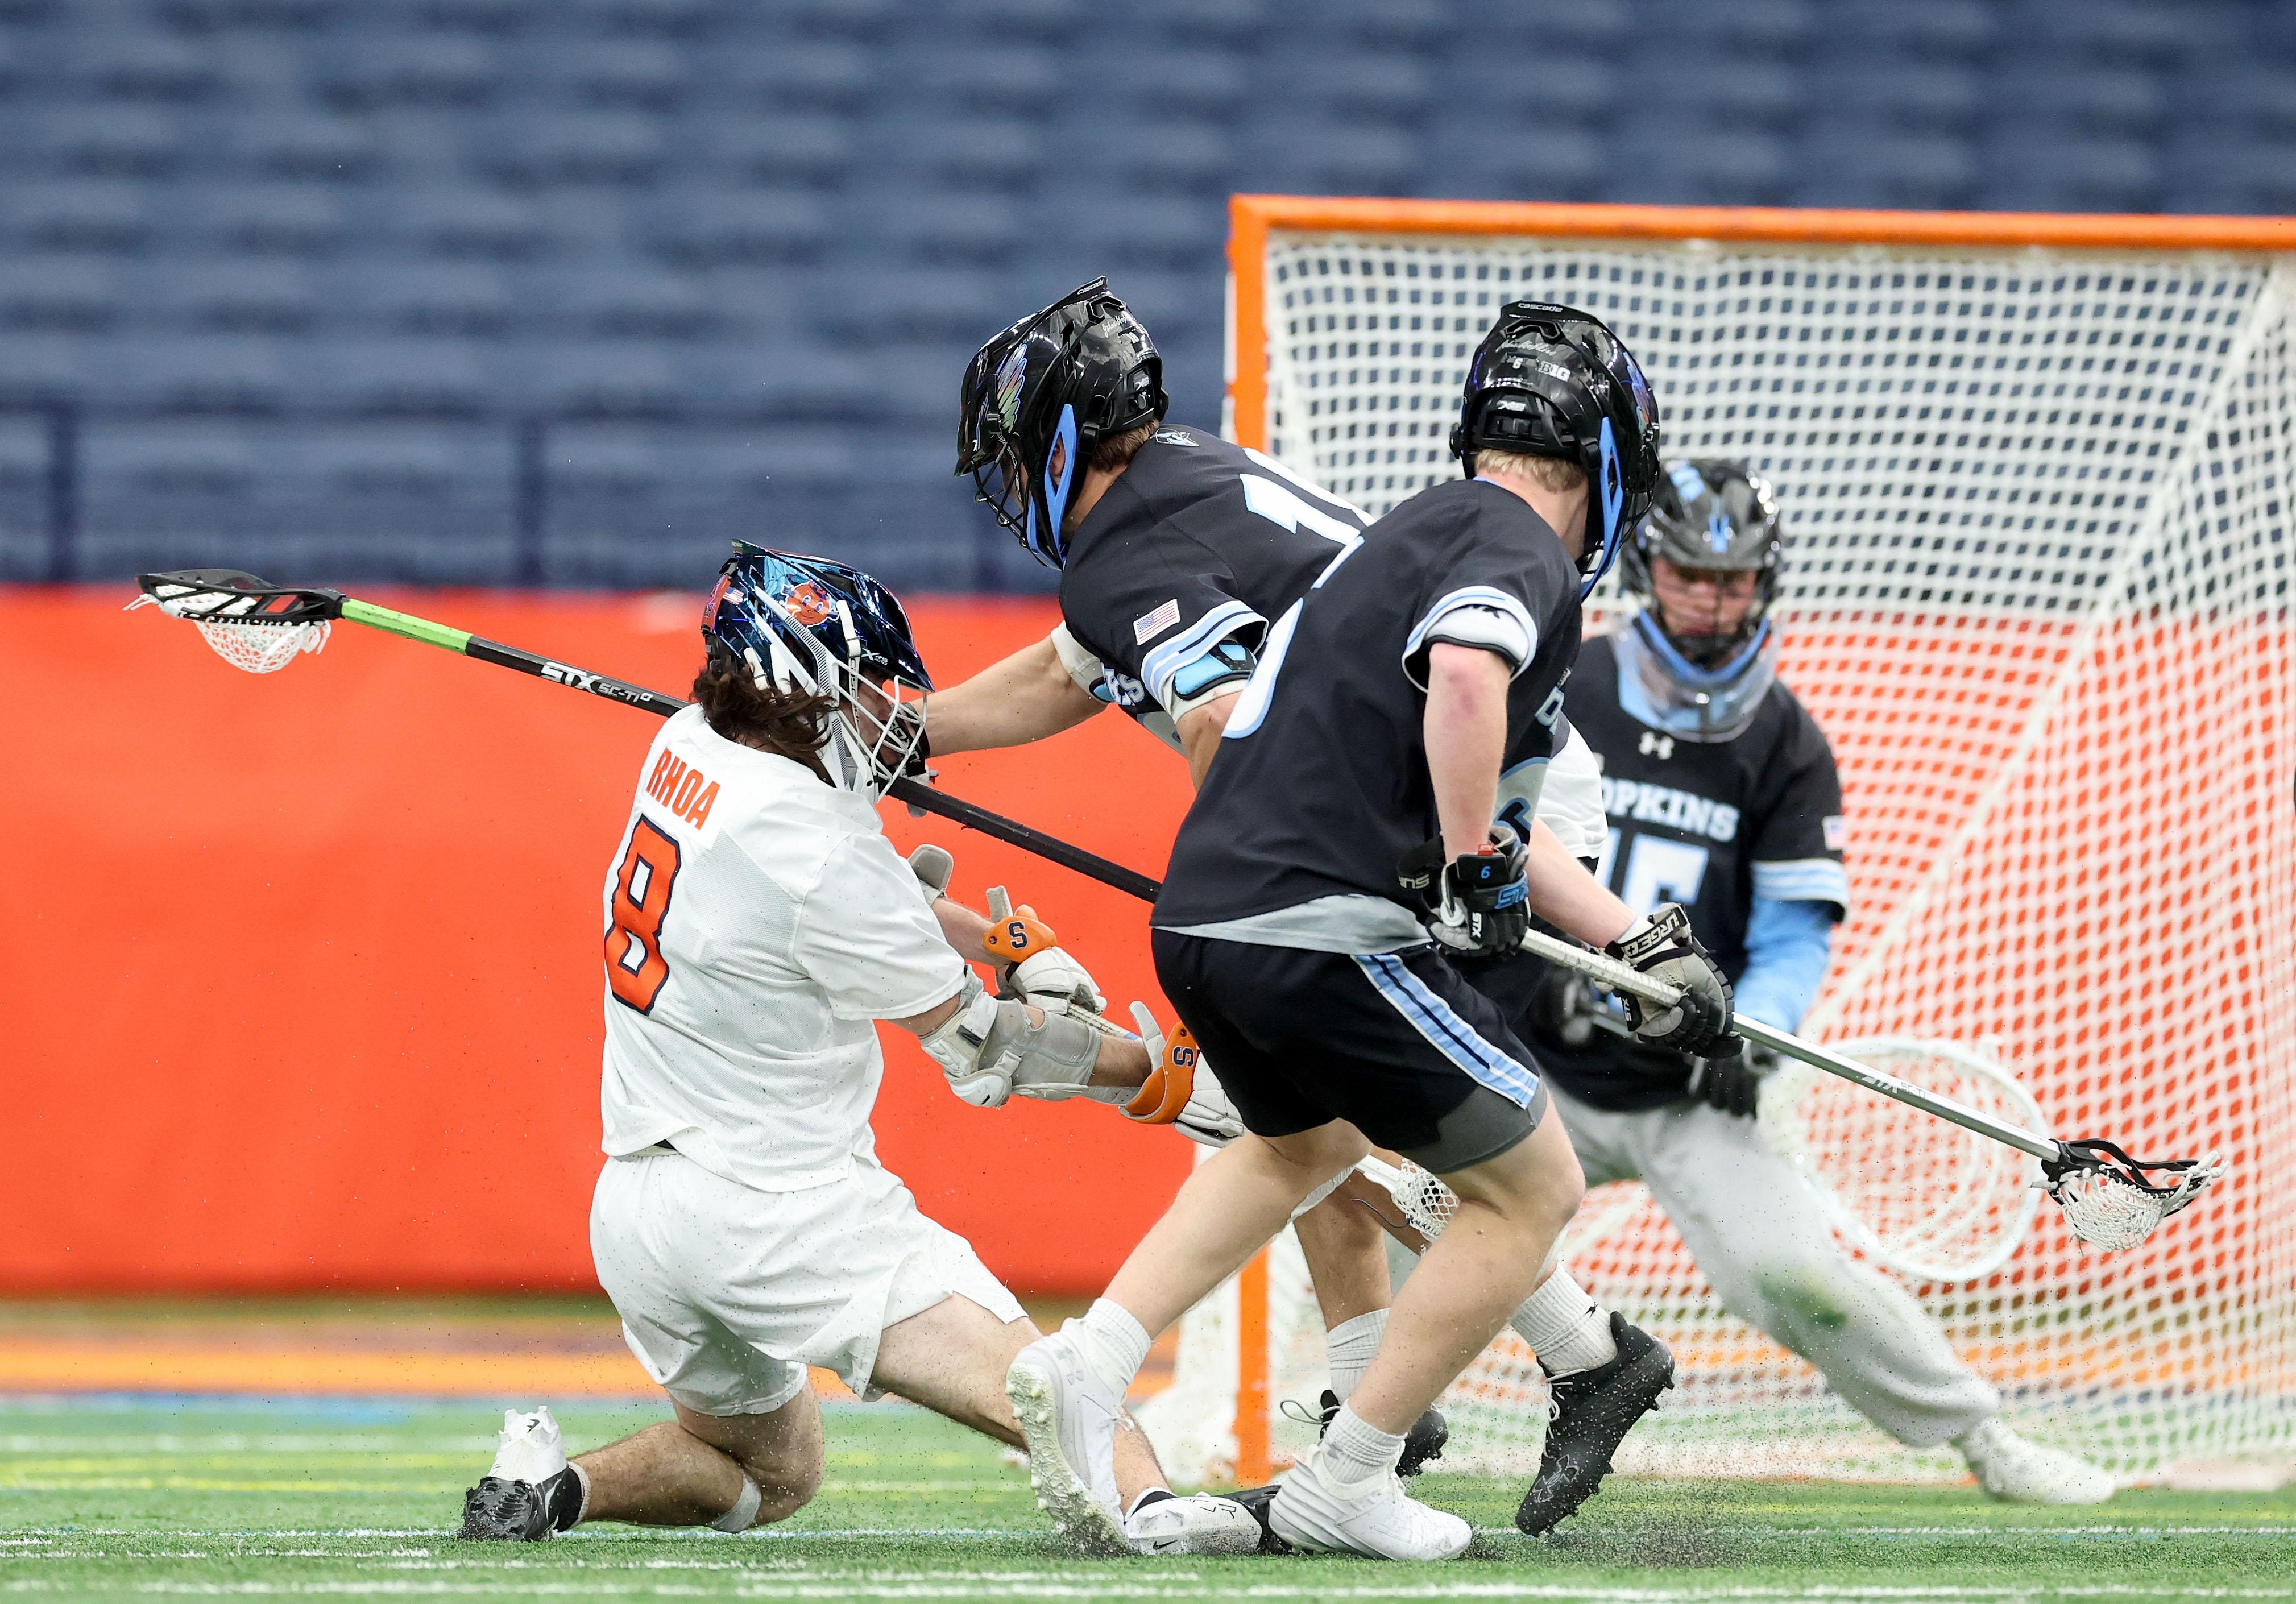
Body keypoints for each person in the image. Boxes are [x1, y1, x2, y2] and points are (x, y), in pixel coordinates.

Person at [998, 303, 1736, 1561]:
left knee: (1308, 1148)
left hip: (1208, 917)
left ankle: (1089, 1359)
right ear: (1608, 453)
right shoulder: (1514, 547)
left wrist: (1633, 937)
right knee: (1535, 1185)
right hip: (1317, 925)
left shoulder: (1419, 531)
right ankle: (1354, 1473)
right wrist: (1463, 867)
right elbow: (1464, 687)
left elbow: (1500, 807)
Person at [455, 545, 1260, 1557]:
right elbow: (986, 1045)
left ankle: (552, 1485)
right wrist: (1160, 1077)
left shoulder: (687, 739)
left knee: (773, 1474)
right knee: (1067, 1400)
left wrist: (998, 939)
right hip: (780, 1210)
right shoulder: (815, 843)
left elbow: (843, 900)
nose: (882, 711)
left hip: (639, 1216)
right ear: (793, 690)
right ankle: (1152, 1511)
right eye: (856, 688)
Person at [1490, 461, 2117, 1507]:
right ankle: (1350, 1425)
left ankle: (1981, 1436)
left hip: (1685, 1078)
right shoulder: (1573, 680)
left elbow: (1788, 932)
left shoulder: (1784, 740)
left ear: (1764, 585)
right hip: (1536, 1065)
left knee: (1794, 1275)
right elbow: (1496, 831)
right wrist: (1518, 979)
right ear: (1650, 569)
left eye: (1733, 581)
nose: (1711, 599)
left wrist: (1755, 1029)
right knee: (1417, 1211)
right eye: (1692, 575)